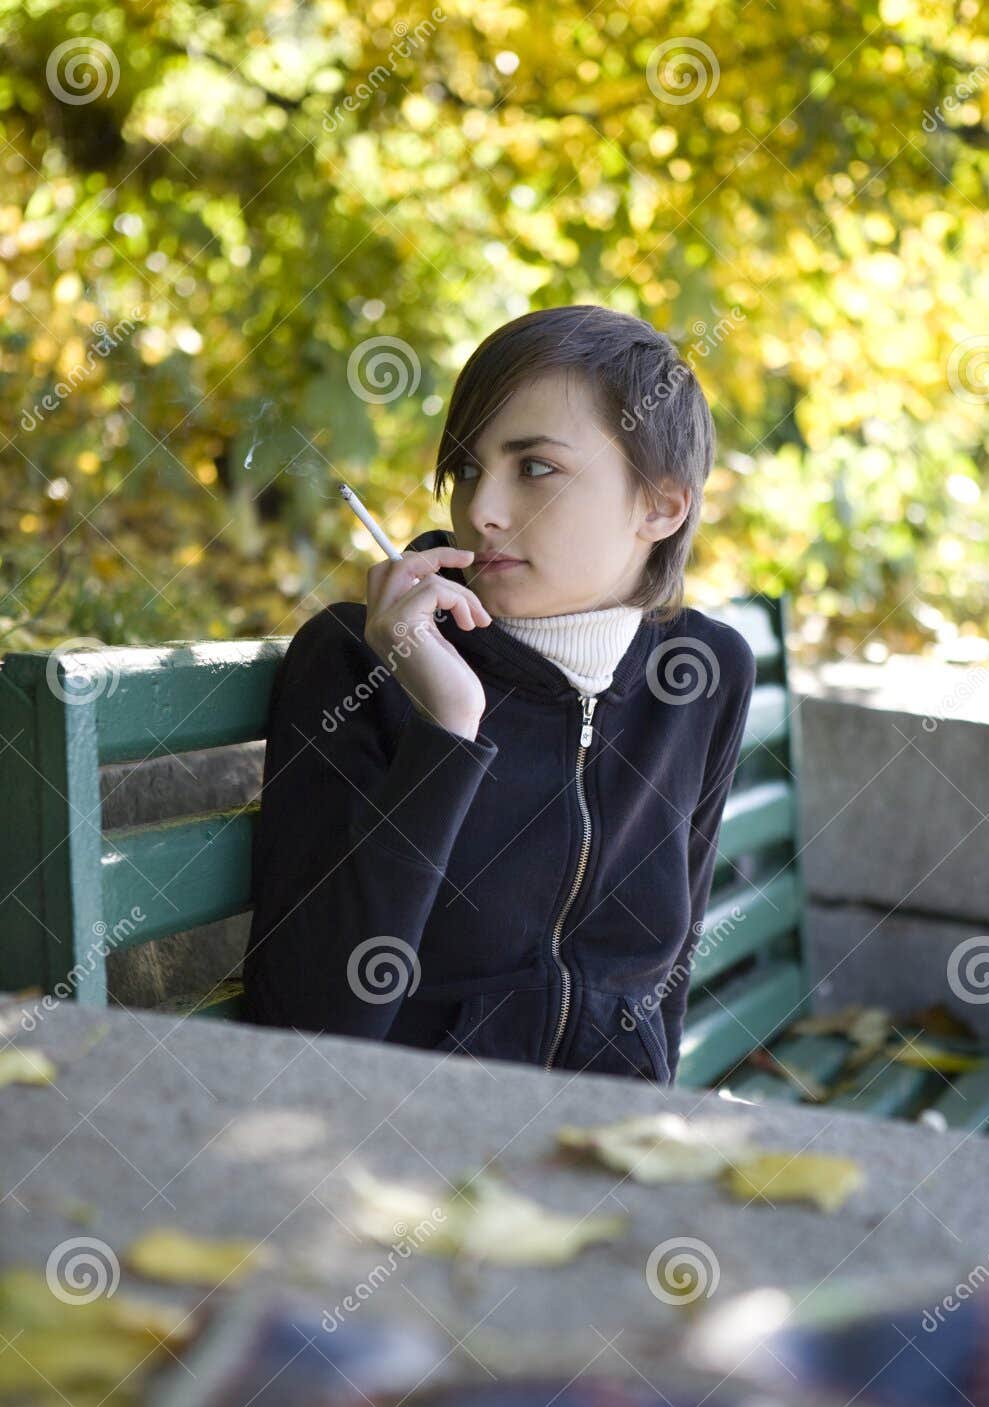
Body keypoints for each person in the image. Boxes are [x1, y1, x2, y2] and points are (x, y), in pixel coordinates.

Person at [242, 304, 756, 1087]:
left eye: (535, 468)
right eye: (468, 469)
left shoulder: (699, 672)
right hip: (407, 1145)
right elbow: (305, 1028)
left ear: (660, 504)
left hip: (602, 1151)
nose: (481, 509)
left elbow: (662, 976)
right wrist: (445, 731)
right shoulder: (356, 664)